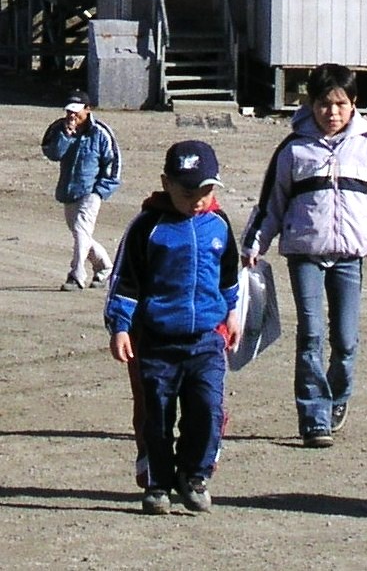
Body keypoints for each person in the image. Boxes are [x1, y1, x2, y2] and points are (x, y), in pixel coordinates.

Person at [240, 63, 367, 449]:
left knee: (346, 339)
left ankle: (338, 396)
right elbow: (272, 201)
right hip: (306, 255)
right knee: (311, 334)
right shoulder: (293, 149)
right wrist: (254, 244)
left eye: (339, 104)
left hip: (350, 259)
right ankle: (314, 417)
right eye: (323, 104)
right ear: (310, 104)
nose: (331, 113)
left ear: (353, 104)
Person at [104, 140, 240, 515]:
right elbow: (126, 282)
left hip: (206, 340)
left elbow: (230, 277)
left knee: (208, 408)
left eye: (206, 190)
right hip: (157, 342)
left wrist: (233, 313)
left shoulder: (220, 224)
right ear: (166, 183)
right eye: (187, 191)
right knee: (158, 414)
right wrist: (120, 326)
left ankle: (194, 475)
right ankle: (158, 483)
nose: (197, 198)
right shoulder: (148, 227)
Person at [41, 89, 121, 291]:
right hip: (69, 190)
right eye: (69, 111)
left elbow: (113, 163)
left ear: (88, 109)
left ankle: (76, 276)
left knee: (80, 230)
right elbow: (52, 153)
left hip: (92, 191)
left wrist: (101, 190)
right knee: (81, 234)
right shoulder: (58, 128)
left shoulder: (101, 132)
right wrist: (65, 136)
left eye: (76, 111)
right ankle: (105, 268)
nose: (72, 115)